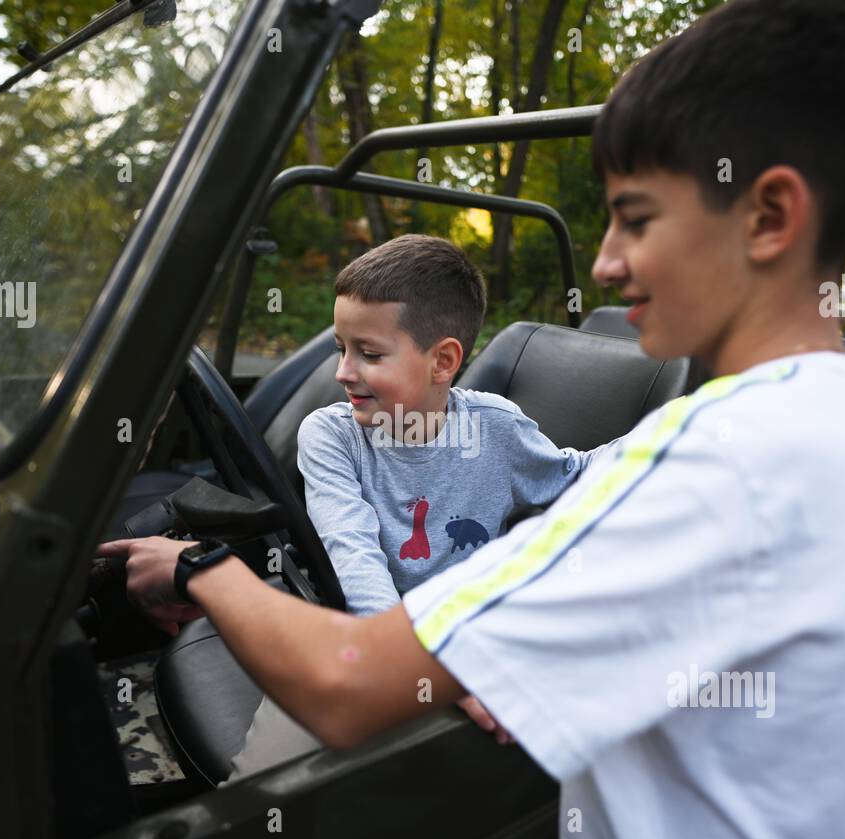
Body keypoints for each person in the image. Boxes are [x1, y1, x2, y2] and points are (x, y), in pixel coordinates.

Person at [100, 0, 845, 839]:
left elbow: (348, 686)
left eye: (635, 219)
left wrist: (195, 569)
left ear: (767, 216)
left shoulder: (694, 468)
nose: (602, 264)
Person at [226, 234, 621, 780]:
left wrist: (684, 427)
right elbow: (353, 557)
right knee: (265, 788)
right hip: (353, 633)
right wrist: (414, 662)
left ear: (443, 362)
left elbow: (573, 474)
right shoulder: (333, 437)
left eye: (368, 354)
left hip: (457, 631)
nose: (342, 371)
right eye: (340, 348)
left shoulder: (495, 428)